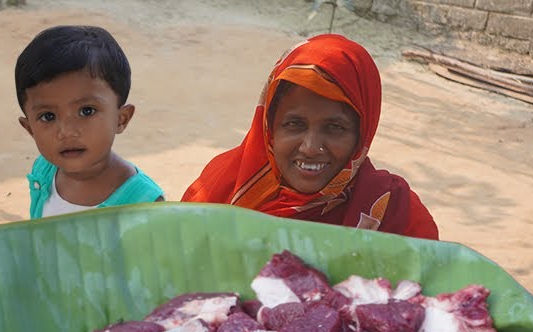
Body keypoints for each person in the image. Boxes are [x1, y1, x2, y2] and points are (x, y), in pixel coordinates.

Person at [181, 34, 439, 240]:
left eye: (335, 127)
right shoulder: (217, 193)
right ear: (269, 126)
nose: (311, 147)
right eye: (294, 124)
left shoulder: (395, 215)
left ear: (362, 134)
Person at [15, 25, 165, 219]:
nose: (67, 131)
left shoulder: (144, 204)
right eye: (48, 116)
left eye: (87, 111)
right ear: (29, 129)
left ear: (122, 118)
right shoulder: (44, 172)